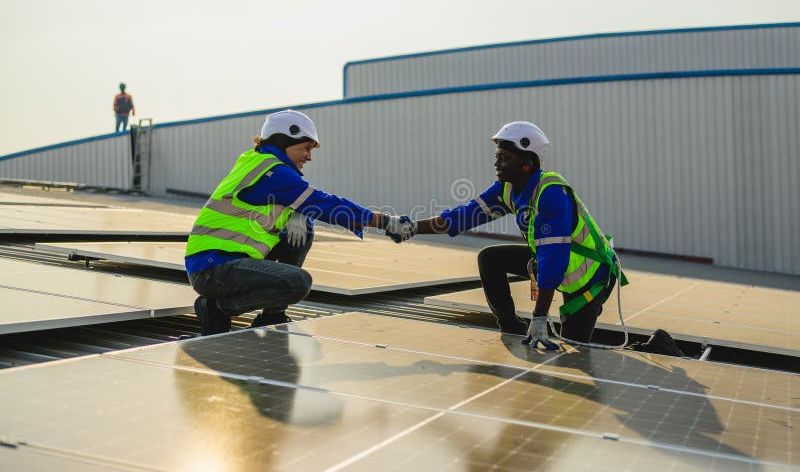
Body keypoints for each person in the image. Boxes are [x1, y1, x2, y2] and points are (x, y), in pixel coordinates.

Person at [394, 121, 627, 349]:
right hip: (557, 264)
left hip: (590, 276)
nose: (496, 163)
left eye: (504, 158)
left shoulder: (551, 193)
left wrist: (539, 317)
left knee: (575, 351)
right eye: (497, 157)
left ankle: (656, 343)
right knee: (489, 259)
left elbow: (553, 260)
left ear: (527, 162)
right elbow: (461, 217)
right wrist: (413, 226)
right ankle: (510, 326)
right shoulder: (506, 188)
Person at [184, 109, 408, 336]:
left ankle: (272, 315)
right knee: (297, 283)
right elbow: (325, 204)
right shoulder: (273, 172)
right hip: (213, 268)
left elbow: (307, 204)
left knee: (304, 228)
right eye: (307, 148)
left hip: (231, 262)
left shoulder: (260, 163)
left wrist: (299, 214)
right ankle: (216, 308)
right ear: (285, 142)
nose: (309, 157)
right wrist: (385, 221)